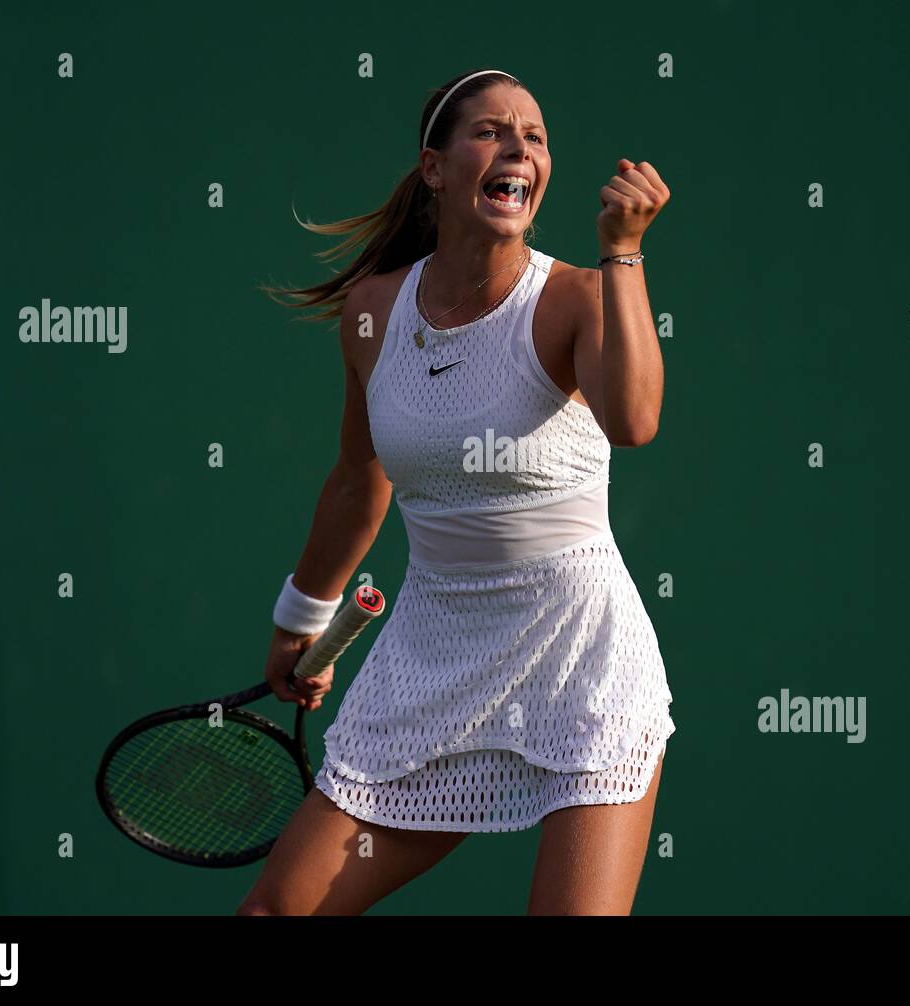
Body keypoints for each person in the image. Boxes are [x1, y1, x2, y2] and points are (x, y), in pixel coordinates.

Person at [240, 68, 674, 915]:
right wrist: (300, 619)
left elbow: (635, 420)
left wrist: (623, 252)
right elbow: (358, 480)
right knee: (274, 913)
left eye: (536, 136)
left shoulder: (578, 296)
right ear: (435, 169)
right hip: (432, 656)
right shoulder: (371, 311)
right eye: (491, 131)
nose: (520, 146)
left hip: (582, 658)